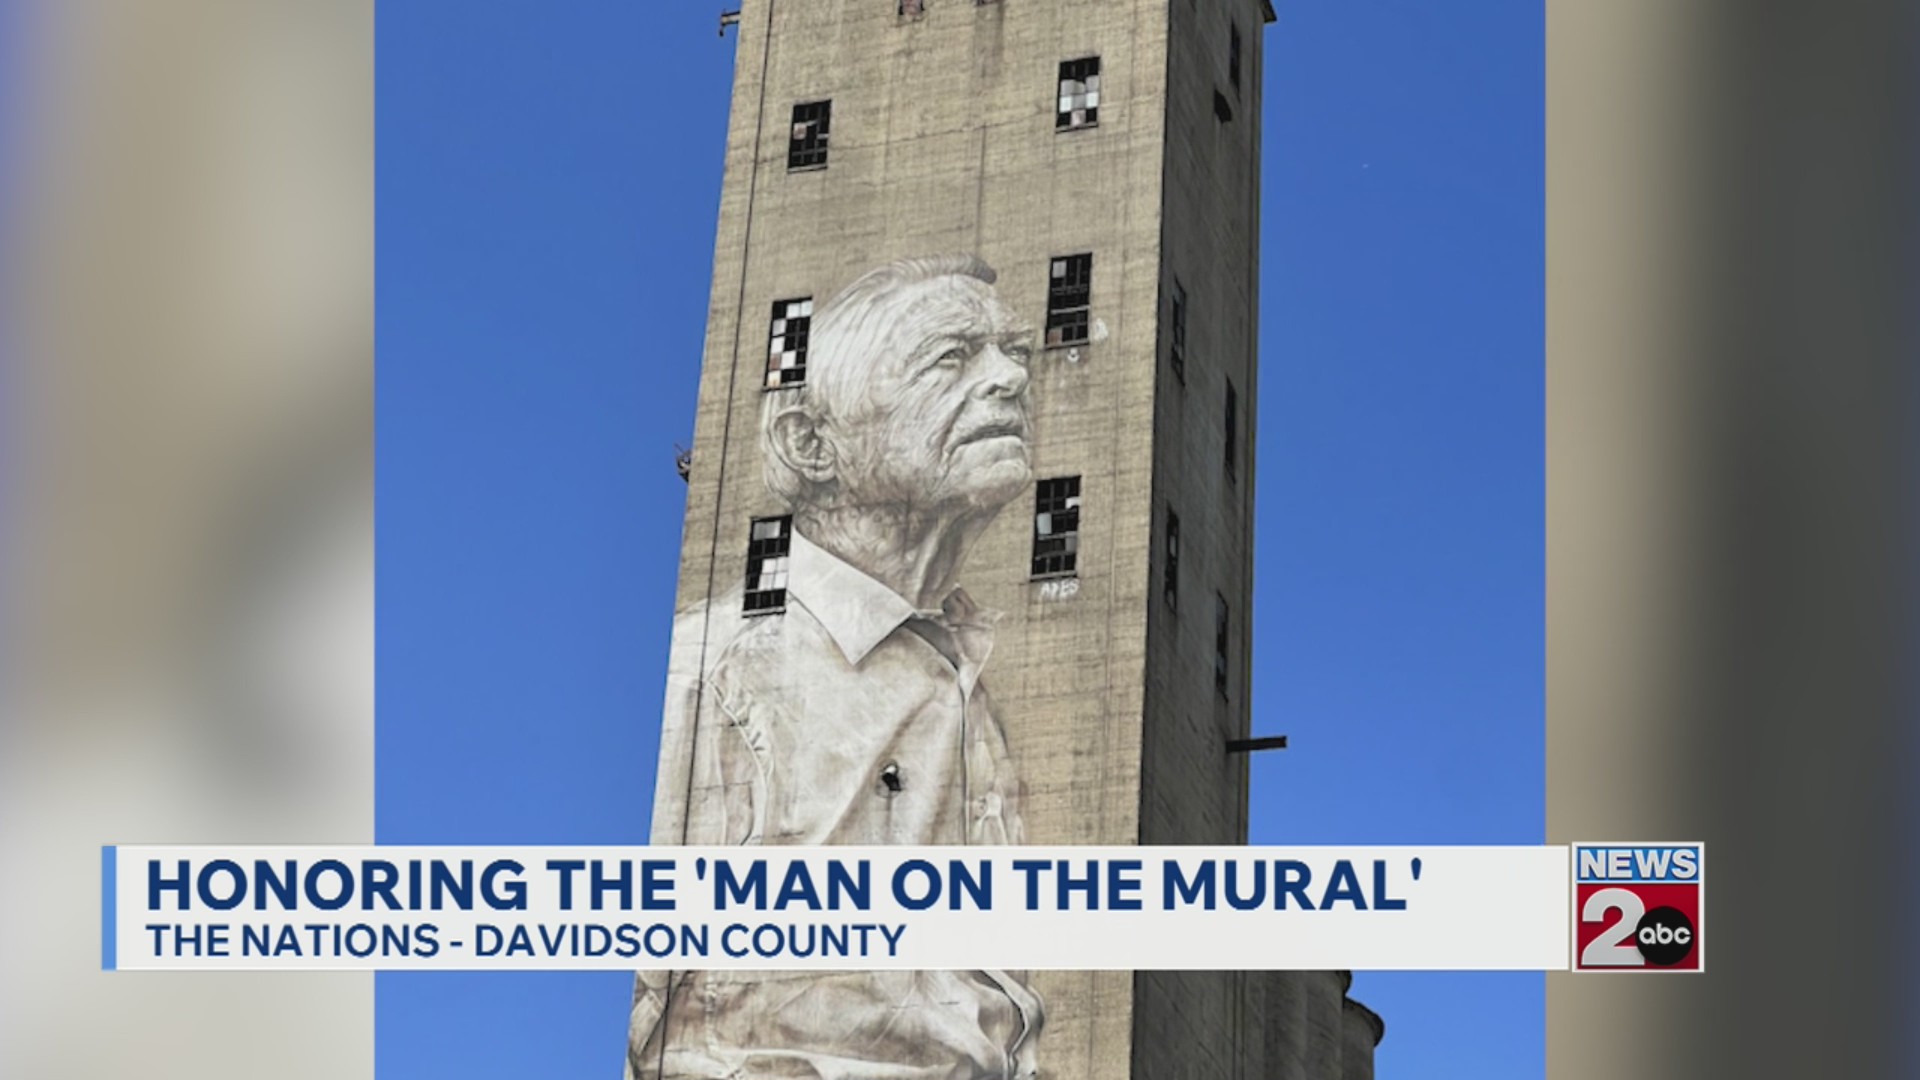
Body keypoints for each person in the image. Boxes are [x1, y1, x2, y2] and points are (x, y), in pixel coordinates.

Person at [628, 255, 1046, 1080]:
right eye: (953, 357)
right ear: (810, 442)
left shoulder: (964, 681)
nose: (1010, 381)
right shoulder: (720, 671)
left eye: (1016, 351)